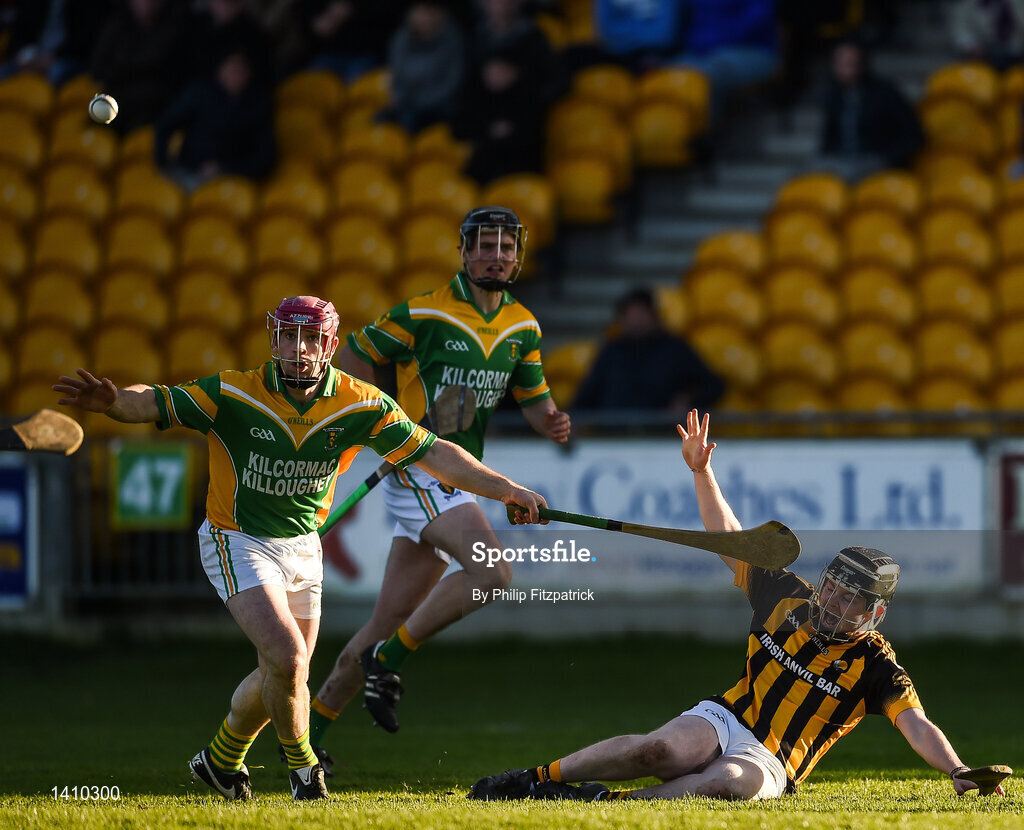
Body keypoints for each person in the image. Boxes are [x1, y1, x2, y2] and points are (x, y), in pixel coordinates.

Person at [52, 295, 548, 802]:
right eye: (288, 336)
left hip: (303, 549)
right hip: (236, 539)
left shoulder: (361, 404)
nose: (298, 348)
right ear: (274, 339)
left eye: (311, 338)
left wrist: (505, 488)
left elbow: (436, 454)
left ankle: (221, 762)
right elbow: (153, 401)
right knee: (288, 660)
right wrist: (114, 401)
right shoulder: (234, 392)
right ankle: (305, 771)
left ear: (330, 345)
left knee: (281, 673)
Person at [468, 409, 1005, 802]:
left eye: (854, 598)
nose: (837, 601)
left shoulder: (877, 667)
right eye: (836, 587)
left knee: (726, 783)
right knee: (657, 753)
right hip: (728, 717)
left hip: (772, 760)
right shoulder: (786, 595)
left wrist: (957, 769)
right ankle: (536, 780)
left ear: (875, 614)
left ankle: (605, 803)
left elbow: (917, 725)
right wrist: (701, 471)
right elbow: (727, 536)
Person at [307, 207, 571, 770]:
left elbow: (532, 395)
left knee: (382, 620)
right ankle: (389, 660)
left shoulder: (523, 325)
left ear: (519, 254)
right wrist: (380, 420)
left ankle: (307, 739)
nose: (496, 254)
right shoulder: (422, 311)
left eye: (506, 245)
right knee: (492, 571)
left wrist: (550, 419)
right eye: (486, 245)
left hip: (458, 474)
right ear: (464, 251)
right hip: (421, 467)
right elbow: (353, 357)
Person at [571, 288, 724, 414]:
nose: (636, 321)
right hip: (615, 438)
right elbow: (587, 396)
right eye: (630, 316)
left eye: (641, 315)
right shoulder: (611, 352)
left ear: (654, 316)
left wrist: (689, 402)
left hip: (659, 438)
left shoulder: (675, 349)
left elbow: (713, 385)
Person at [154, 49, 276, 191]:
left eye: (241, 70)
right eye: (232, 69)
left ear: (249, 74)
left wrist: (225, 169)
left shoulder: (258, 105)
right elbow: (165, 124)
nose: (235, 75)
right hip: (189, 170)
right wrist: (162, 164)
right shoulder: (200, 93)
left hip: (234, 179)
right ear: (220, 71)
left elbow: (265, 156)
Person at [817, 38, 924, 182]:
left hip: (875, 159)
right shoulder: (833, 95)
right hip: (840, 159)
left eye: (850, 63)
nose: (844, 68)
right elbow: (829, 137)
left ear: (862, 63)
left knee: (846, 176)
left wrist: (888, 159)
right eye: (840, 63)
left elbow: (913, 135)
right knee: (804, 178)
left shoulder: (885, 93)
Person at [379, 0, 465, 133]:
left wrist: (421, 102)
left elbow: (452, 81)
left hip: (439, 105)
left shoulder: (452, 39)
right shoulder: (401, 38)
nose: (425, 17)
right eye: (421, 11)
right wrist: (401, 98)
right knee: (378, 120)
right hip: (406, 102)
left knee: (409, 120)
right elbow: (396, 74)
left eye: (430, 12)